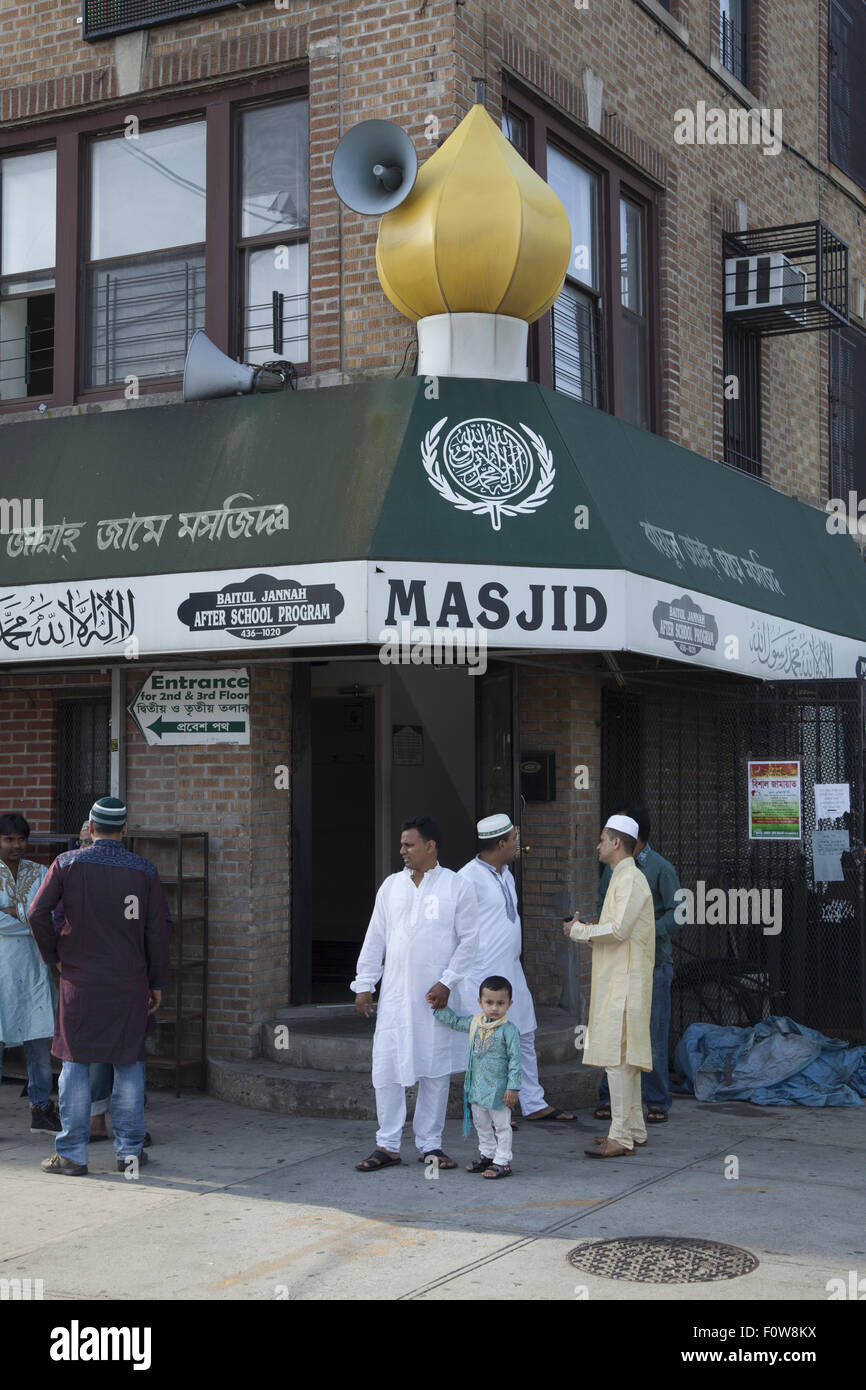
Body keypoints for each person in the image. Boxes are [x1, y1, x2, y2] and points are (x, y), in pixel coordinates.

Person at [28, 797, 170, 1177]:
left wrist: (54, 956)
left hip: (80, 981)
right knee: (129, 1063)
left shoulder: (67, 864)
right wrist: (156, 982)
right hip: (129, 981)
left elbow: (36, 913)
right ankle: (129, 1153)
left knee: (75, 1063)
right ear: (125, 830)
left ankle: (72, 1155)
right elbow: (157, 931)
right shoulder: (145, 871)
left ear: (90, 828)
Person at [351, 816, 479, 1173]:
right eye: (402, 845)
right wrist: (364, 983)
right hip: (395, 996)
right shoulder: (391, 886)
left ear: (430, 846)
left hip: (436, 998)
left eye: (409, 844)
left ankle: (430, 1144)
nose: (403, 851)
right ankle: (388, 1145)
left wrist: (447, 982)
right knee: (387, 1068)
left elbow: (470, 941)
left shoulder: (456, 886)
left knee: (435, 1070)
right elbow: (375, 936)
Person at [458, 813, 574, 1123]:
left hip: (512, 969)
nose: (517, 844)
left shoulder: (507, 875)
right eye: (513, 839)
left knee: (524, 1033)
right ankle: (492, 1110)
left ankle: (534, 1102)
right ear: (500, 844)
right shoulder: (467, 878)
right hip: (484, 974)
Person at [563, 815, 655, 1158]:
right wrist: (588, 930)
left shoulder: (629, 879)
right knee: (625, 1060)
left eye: (602, 839)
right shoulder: (623, 877)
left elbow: (617, 930)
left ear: (616, 843)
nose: (598, 845)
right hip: (621, 980)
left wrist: (580, 931)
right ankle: (633, 1130)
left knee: (618, 1060)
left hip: (625, 983)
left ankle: (620, 1136)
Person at [593, 804, 681, 1125]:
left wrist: (645, 930)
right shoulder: (613, 869)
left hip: (653, 964)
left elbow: (679, 913)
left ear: (632, 837)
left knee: (651, 1036)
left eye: (607, 837)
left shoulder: (661, 869)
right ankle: (610, 1099)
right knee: (617, 1035)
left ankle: (657, 1100)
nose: (601, 844)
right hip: (621, 965)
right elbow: (604, 905)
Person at [0, 813, 60, 1134]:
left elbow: (51, 916)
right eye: (9, 839)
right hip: (3, 971)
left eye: (21, 839)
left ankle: (41, 1108)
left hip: (35, 969)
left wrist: (16, 912)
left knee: (38, 1044)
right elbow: (37, 919)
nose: (16, 845)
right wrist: (31, 919)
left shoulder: (40, 873)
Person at [433, 974, 521, 1179]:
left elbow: (515, 1061)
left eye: (501, 1003)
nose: (494, 1008)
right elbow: (455, 1022)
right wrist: (438, 1007)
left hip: (499, 1090)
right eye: (489, 1002)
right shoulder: (475, 1023)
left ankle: (502, 1161)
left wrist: (513, 1087)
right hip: (477, 1088)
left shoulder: (509, 1031)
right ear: (480, 1002)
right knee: (481, 1125)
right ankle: (488, 1155)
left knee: (502, 1127)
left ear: (509, 1004)